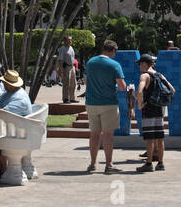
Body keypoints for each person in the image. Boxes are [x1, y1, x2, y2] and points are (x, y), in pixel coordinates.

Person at [85, 39, 127, 174]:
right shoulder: (114, 65)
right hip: (108, 103)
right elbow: (122, 86)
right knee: (108, 135)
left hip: (91, 103)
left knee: (94, 134)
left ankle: (92, 163)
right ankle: (109, 164)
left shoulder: (90, 62)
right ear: (113, 50)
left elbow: (86, 81)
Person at [135, 54, 173, 172]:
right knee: (160, 138)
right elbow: (172, 90)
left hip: (148, 111)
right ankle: (160, 163)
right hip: (159, 110)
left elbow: (140, 90)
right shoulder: (160, 75)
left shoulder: (145, 75)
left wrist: (140, 103)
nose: (139, 67)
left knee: (150, 139)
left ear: (144, 64)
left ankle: (149, 163)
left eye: (140, 64)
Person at [58, 35, 77, 103]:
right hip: (66, 67)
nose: (70, 41)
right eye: (69, 40)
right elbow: (60, 60)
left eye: (71, 40)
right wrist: (60, 70)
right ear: (65, 41)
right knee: (66, 83)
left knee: (73, 83)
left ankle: (72, 98)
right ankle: (65, 98)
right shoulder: (62, 49)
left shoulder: (71, 48)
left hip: (72, 67)